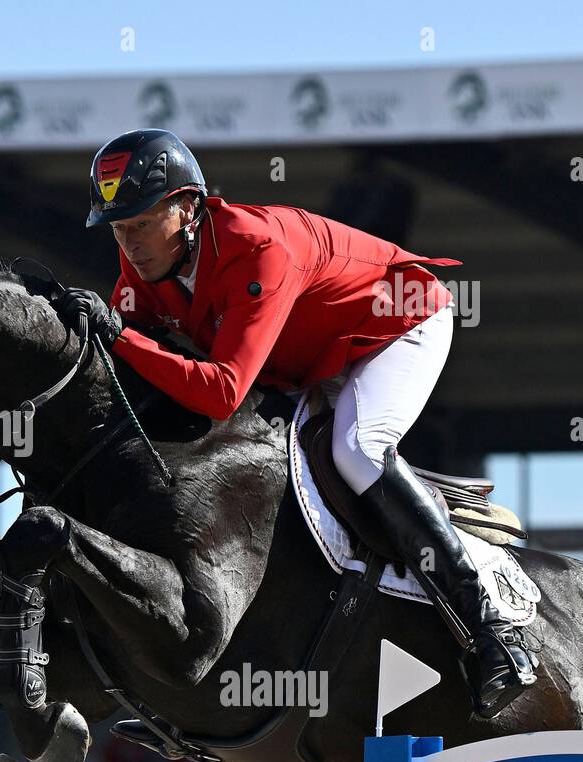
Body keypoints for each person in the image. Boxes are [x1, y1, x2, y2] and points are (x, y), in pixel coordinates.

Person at [54, 127, 537, 718]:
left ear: (186, 208)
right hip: (305, 359)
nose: (128, 244)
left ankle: (491, 629)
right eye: (118, 229)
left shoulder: (257, 248)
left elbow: (222, 391)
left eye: (138, 224)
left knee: (357, 451)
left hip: (398, 323)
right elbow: (130, 366)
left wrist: (120, 334)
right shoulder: (149, 271)